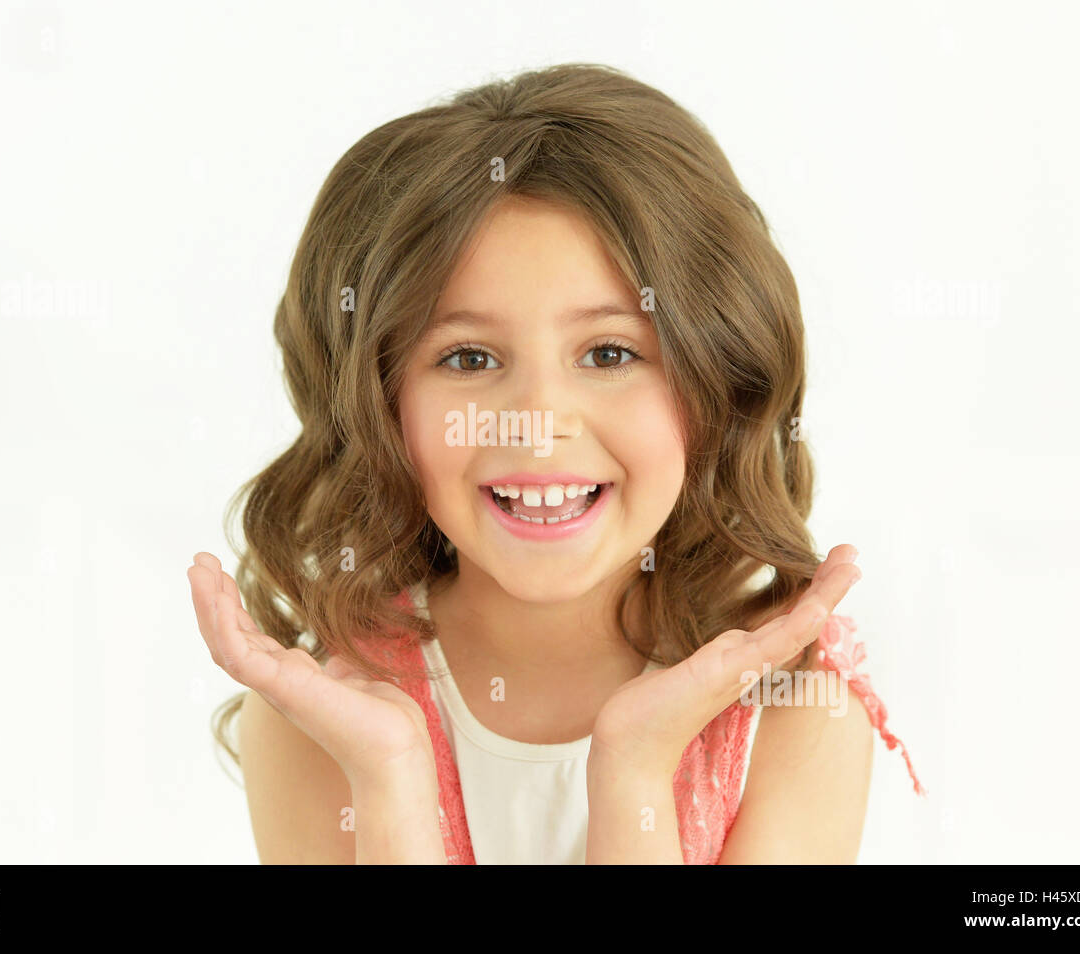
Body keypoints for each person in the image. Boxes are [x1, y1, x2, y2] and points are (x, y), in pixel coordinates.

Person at [187, 63, 925, 864]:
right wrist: (391, 780)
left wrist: (635, 775)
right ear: (376, 404)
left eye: (609, 352)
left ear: (716, 383)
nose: (539, 426)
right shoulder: (325, 719)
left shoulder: (793, 710)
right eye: (468, 358)